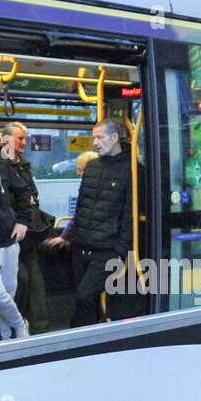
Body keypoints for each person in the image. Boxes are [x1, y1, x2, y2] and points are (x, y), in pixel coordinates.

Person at [47, 120, 132, 328]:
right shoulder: (92, 167)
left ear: (114, 138)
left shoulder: (132, 169)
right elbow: (81, 207)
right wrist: (66, 236)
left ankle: (77, 338)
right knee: (84, 298)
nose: (95, 142)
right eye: (94, 137)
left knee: (84, 295)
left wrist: (120, 250)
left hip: (106, 250)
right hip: (82, 246)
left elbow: (129, 215)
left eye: (100, 137)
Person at [0, 122, 51, 334]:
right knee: (20, 280)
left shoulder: (24, 165)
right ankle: (15, 324)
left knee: (36, 282)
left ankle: (40, 328)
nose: (24, 143)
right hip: (9, 233)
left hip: (27, 233)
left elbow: (32, 196)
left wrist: (28, 202)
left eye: (25, 138)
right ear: (6, 138)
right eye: (20, 138)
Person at [0, 134, 31, 340]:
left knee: (9, 293)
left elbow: (24, 192)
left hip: (8, 238)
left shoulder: (3, 166)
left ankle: (6, 338)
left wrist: (23, 221)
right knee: (0, 296)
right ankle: (20, 323)